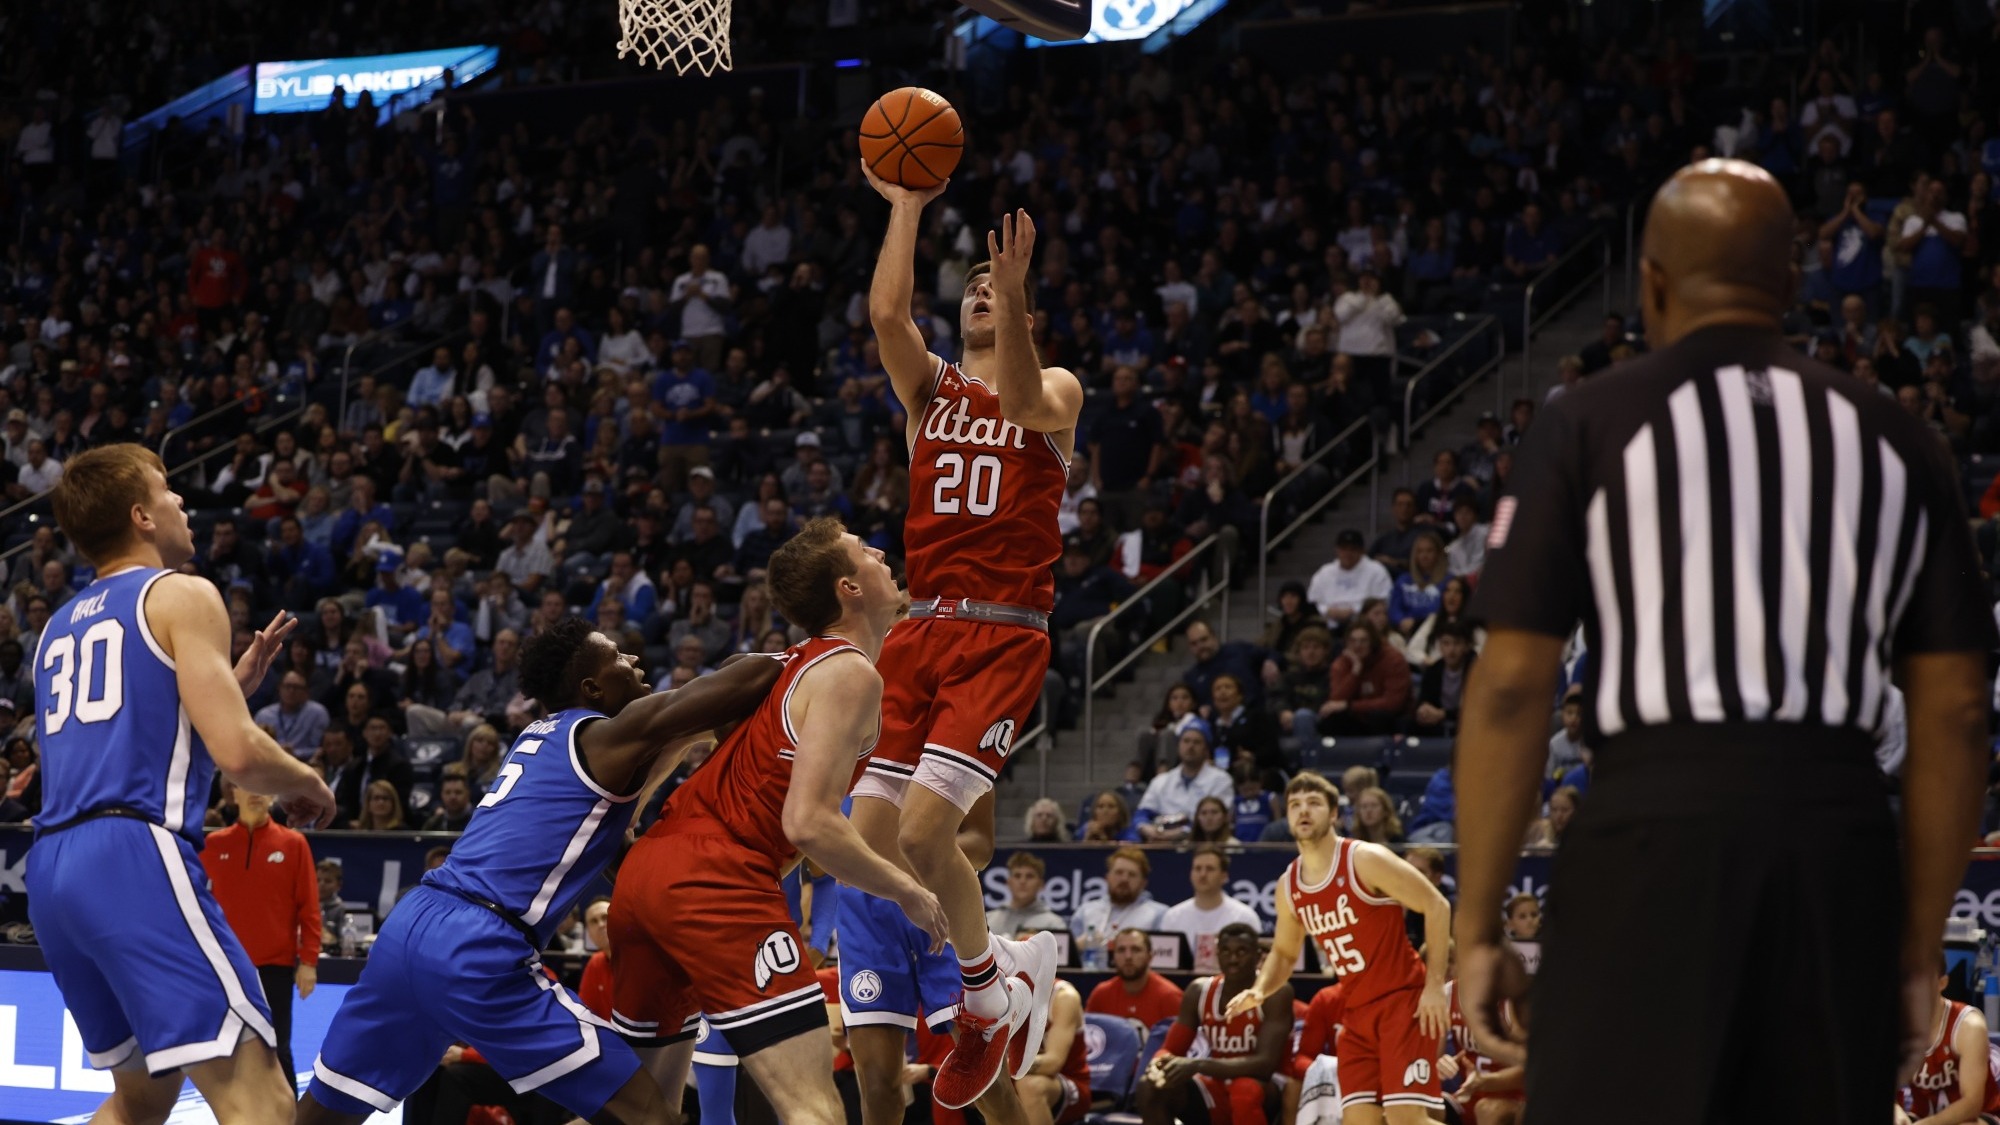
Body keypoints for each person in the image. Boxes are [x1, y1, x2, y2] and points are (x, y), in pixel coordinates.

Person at [1456, 159, 1996, 1122]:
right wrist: (1916, 945)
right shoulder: (1897, 438)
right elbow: (1956, 710)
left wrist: (1477, 924)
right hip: (1836, 844)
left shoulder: (1586, 423)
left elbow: (1508, 687)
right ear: (1791, 280)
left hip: (1648, 835)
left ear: (1652, 282)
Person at [295, 619, 785, 1125]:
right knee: (650, 1116)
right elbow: (744, 678)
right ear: (592, 688)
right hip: (477, 944)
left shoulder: (539, 737)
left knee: (319, 1117)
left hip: (410, 926)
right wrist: (813, 649)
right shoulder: (603, 734)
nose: (635, 660)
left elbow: (615, 855)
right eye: (618, 657)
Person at [607, 519, 964, 1125]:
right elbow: (809, 823)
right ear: (849, 587)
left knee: (647, 1112)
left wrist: (628, 817)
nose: (881, 552)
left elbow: (671, 726)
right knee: (814, 1108)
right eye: (864, 550)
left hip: (649, 873)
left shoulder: (785, 663)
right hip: (716, 876)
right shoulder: (851, 672)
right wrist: (908, 890)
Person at [26, 444, 337, 1124]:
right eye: (168, 491)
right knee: (262, 1096)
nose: (181, 503)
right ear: (141, 515)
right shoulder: (182, 592)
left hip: (51, 869)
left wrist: (226, 687)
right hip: (131, 856)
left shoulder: (54, 629)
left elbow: (120, 736)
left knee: (142, 1097)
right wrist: (310, 780)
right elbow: (240, 755)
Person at [859, 168, 1081, 1107]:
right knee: (869, 837)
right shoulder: (931, 393)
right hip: (919, 630)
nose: (983, 292)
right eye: (976, 288)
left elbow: (1025, 405)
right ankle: (998, 971)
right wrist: (906, 208)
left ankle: (987, 998)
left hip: (999, 633)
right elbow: (886, 315)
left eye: (999, 288)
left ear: (1027, 314)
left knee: (922, 830)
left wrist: (1018, 293)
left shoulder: (1057, 388)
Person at [1226, 773, 1451, 1125]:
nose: (1303, 811)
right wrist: (1260, 989)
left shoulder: (1365, 859)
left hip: (1402, 1001)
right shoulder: (1289, 886)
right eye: (1295, 805)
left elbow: (1436, 905)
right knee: (1359, 1121)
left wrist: (1434, 986)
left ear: (1334, 814)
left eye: (1314, 803)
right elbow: (1284, 953)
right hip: (1356, 1012)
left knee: (1405, 1119)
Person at [199, 786, 322, 1089]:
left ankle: (288, 1113)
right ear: (234, 793)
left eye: (263, 786)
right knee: (224, 1050)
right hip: (225, 968)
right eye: (247, 786)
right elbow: (197, 905)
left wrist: (308, 961)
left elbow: (309, 907)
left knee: (277, 1050)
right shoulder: (213, 844)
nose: (255, 793)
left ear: (272, 795)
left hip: (274, 966)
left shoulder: (293, 843)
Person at [1140, 923, 1293, 1125]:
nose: (1233, 959)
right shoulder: (1198, 992)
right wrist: (1159, 1063)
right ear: (1217, 954)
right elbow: (1172, 1048)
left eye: (1241, 952)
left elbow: (1265, 1065)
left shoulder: (1275, 992)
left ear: (1257, 956)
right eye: (1226, 951)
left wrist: (1198, 1064)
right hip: (1217, 1083)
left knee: (1244, 1090)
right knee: (1150, 1087)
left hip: (1266, 1086)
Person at [1898, 963, 2000, 1124]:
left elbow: (1972, 1105)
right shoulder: (1898, 1024)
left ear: (1942, 983)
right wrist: (1897, 1112)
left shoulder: (1969, 1025)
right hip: (1923, 1117)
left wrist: (1927, 1124)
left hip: (1977, 1117)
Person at [1159, 845, 1262, 974]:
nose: (1202, 874)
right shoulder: (1172, 916)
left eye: (1210, 869)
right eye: (1197, 868)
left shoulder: (1244, 916)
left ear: (1224, 876)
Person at [1136, 723, 1233, 841]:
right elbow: (1142, 813)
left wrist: (1180, 832)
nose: (1190, 746)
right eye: (1186, 741)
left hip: (1203, 843)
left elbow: (1219, 819)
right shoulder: (1161, 781)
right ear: (1178, 746)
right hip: (1161, 843)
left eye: (1197, 742)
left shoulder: (1221, 780)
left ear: (1206, 750)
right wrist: (1147, 829)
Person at [1015, 978, 1090, 1125]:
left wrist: (1006, 1066)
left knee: (1030, 1086)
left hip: (1067, 1082)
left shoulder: (1064, 997)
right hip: (1015, 1077)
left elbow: (1053, 1063)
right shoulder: (1003, 994)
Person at [1086, 927, 1186, 1027]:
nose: (1128, 956)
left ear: (1150, 957)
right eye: (1121, 950)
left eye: (1135, 950)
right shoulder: (1101, 995)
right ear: (1114, 957)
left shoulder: (1170, 997)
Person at [1306, 529, 1393, 624]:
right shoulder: (1324, 572)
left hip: (1364, 623)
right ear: (1337, 550)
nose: (1348, 553)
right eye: (1344, 549)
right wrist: (1326, 610)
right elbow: (1313, 600)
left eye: (1353, 549)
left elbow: (1384, 601)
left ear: (1362, 551)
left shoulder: (1377, 571)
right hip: (1328, 622)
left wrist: (1355, 611)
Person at [988, 852, 1069, 936]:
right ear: (1008, 883)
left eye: (1029, 876)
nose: (1022, 881)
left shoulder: (1054, 924)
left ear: (1041, 884)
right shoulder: (988, 920)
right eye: (1017, 876)